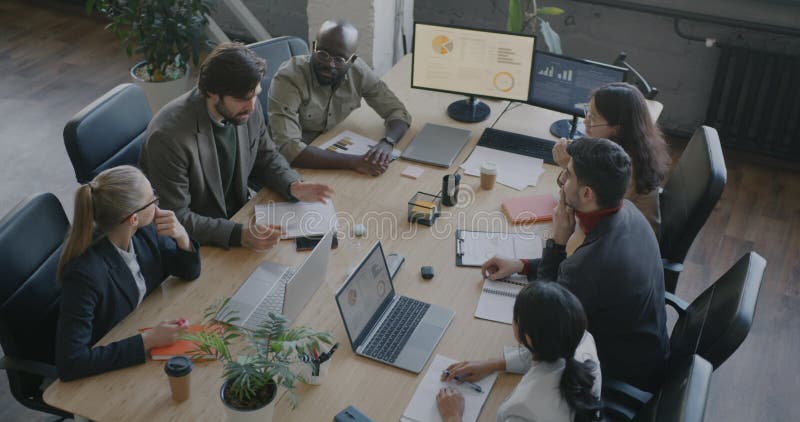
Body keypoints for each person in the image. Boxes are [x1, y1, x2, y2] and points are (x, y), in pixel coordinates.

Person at [482, 138, 669, 393]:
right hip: (647, 351)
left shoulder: (592, 262)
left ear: (587, 193)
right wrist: (522, 265)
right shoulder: (629, 212)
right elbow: (578, 276)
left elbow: (543, 321)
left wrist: (557, 243)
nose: (561, 181)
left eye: (567, 176)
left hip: (612, 372)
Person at [140, 42, 333, 250]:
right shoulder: (168, 138)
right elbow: (176, 218)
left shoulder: (246, 105)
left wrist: (292, 185)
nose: (252, 106)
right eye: (243, 99)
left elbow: (266, 156)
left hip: (244, 216)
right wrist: (238, 234)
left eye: (255, 94)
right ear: (212, 92)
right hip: (202, 241)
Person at [55, 166, 201, 381]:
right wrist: (148, 340)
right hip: (111, 364)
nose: (157, 203)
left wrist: (181, 237)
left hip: (143, 322)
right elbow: (71, 362)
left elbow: (188, 271)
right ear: (133, 219)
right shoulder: (84, 274)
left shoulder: (144, 232)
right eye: (153, 199)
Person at [436, 281, 602, 422]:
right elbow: (549, 355)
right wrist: (494, 364)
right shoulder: (582, 339)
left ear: (527, 338)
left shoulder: (523, 412)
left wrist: (453, 416)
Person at [268, 19, 411, 176]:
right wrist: (355, 162)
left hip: (327, 144)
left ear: (352, 60)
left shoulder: (358, 72)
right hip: (291, 163)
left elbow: (397, 111)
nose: (330, 64)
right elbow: (288, 148)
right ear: (313, 47)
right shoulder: (290, 77)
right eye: (322, 53)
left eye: (339, 59)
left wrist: (388, 142)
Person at [552, 82, 671, 238]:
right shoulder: (629, 147)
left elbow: (584, 207)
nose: (585, 122)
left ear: (617, 128)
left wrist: (569, 169)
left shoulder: (622, 167)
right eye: (588, 113)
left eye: (593, 118)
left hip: (625, 241)